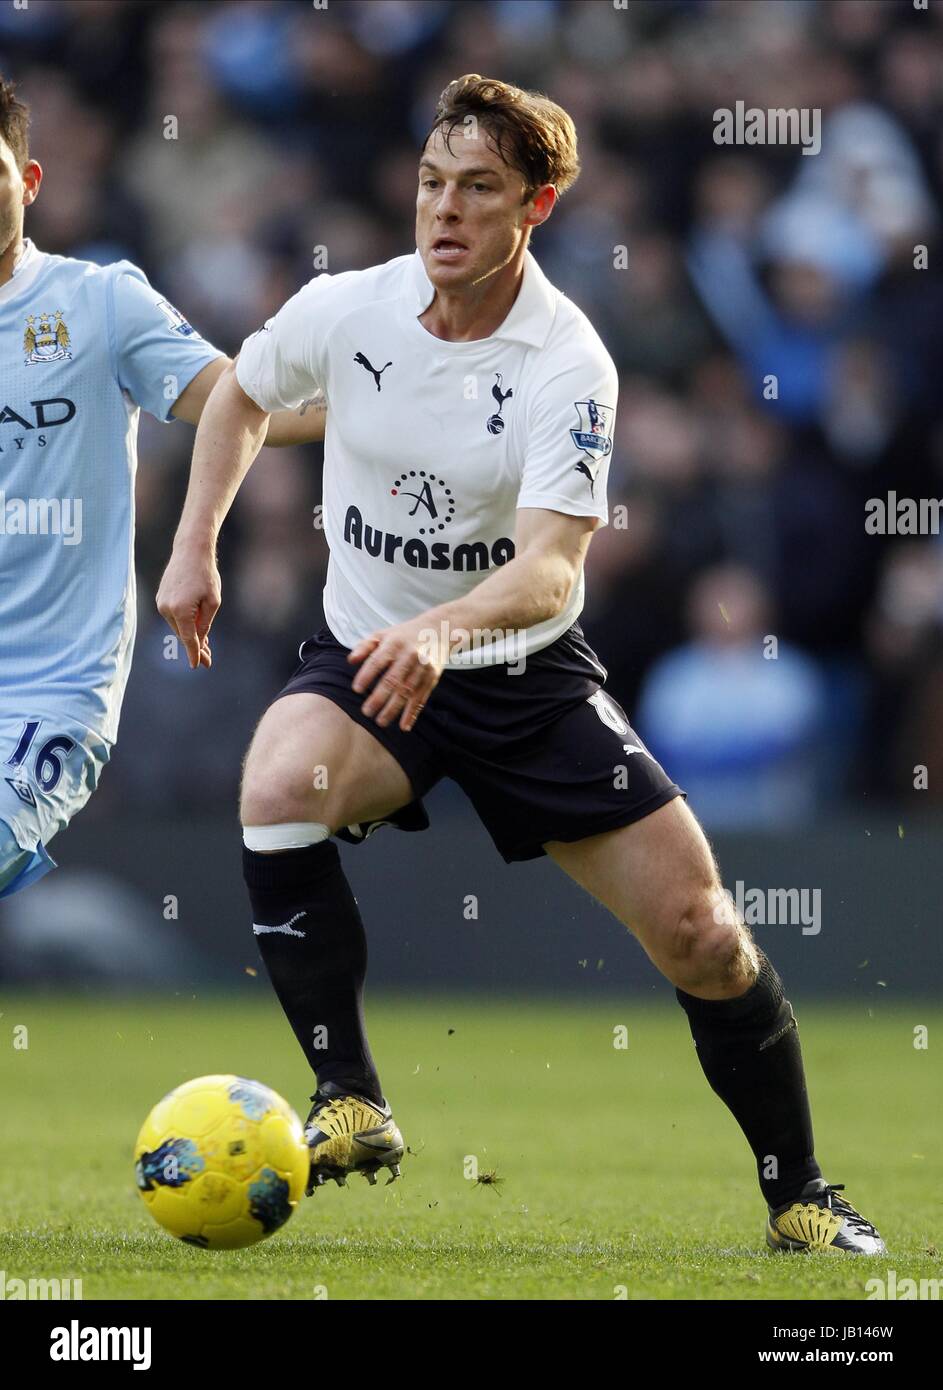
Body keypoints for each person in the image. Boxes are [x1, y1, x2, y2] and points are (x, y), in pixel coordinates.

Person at [157, 74, 883, 1254]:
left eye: (478, 190)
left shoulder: (567, 361)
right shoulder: (350, 307)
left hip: (522, 678)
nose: (443, 210)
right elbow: (241, 392)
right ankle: (353, 1097)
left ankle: (799, 1190)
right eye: (433, 183)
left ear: (534, 207)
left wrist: (445, 629)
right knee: (276, 783)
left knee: (703, 933)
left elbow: (551, 569)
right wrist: (194, 547)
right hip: (370, 656)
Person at [0, 75, 325, 900]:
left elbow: (240, 404)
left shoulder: (97, 303)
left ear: (29, 183)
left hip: (48, 690)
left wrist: (385, 400)